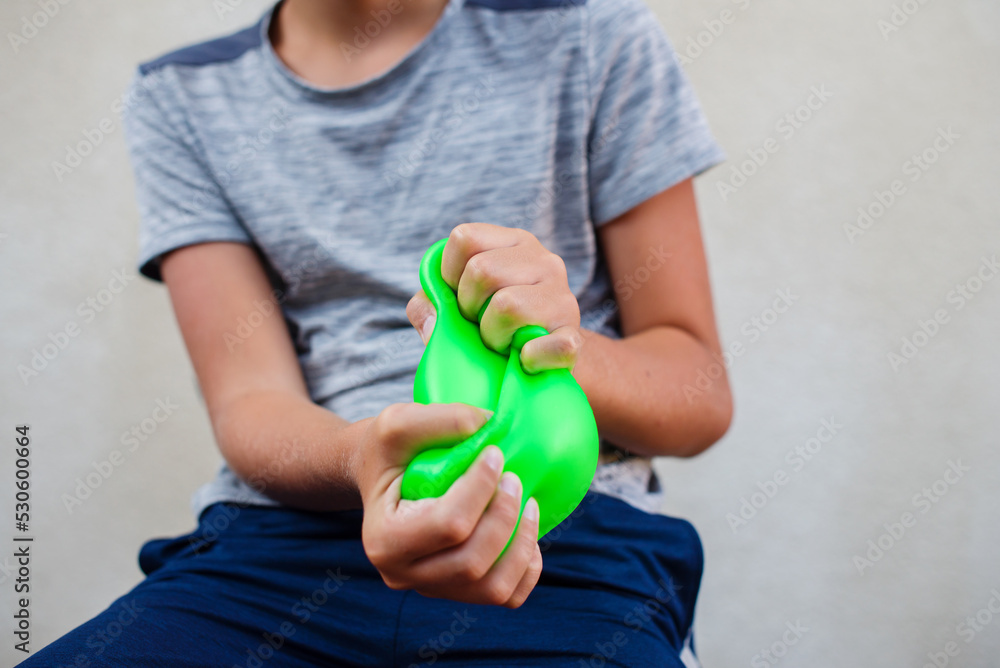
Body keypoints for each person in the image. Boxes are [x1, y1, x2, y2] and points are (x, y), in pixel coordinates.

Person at [21, 0, 732, 665]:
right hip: (275, 550)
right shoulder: (182, 94)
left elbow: (697, 397)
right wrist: (366, 459)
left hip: (564, 540)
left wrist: (548, 348)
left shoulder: (592, 35)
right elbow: (249, 399)